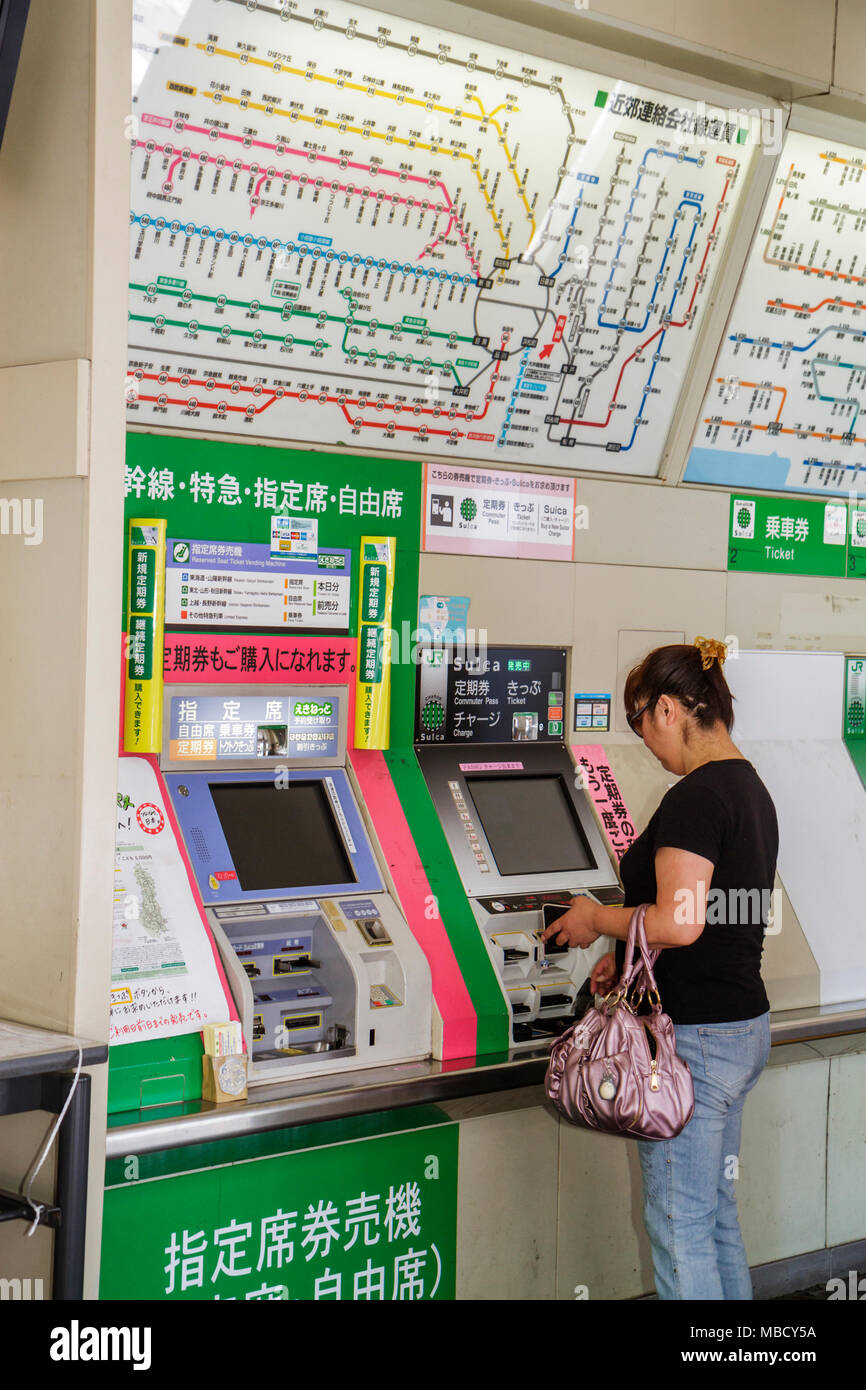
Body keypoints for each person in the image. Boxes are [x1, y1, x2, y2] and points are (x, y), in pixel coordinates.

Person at [542, 638, 778, 1301]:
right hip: (741, 1027)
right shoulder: (749, 787)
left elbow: (679, 922)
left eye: (641, 723)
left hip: (695, 1042)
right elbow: (706, 920)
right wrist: (626, 957)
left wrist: (596, 921)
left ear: (668, 708)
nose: (645, 742)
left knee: (678, 1223)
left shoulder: (697, 798)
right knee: (713, 1214)